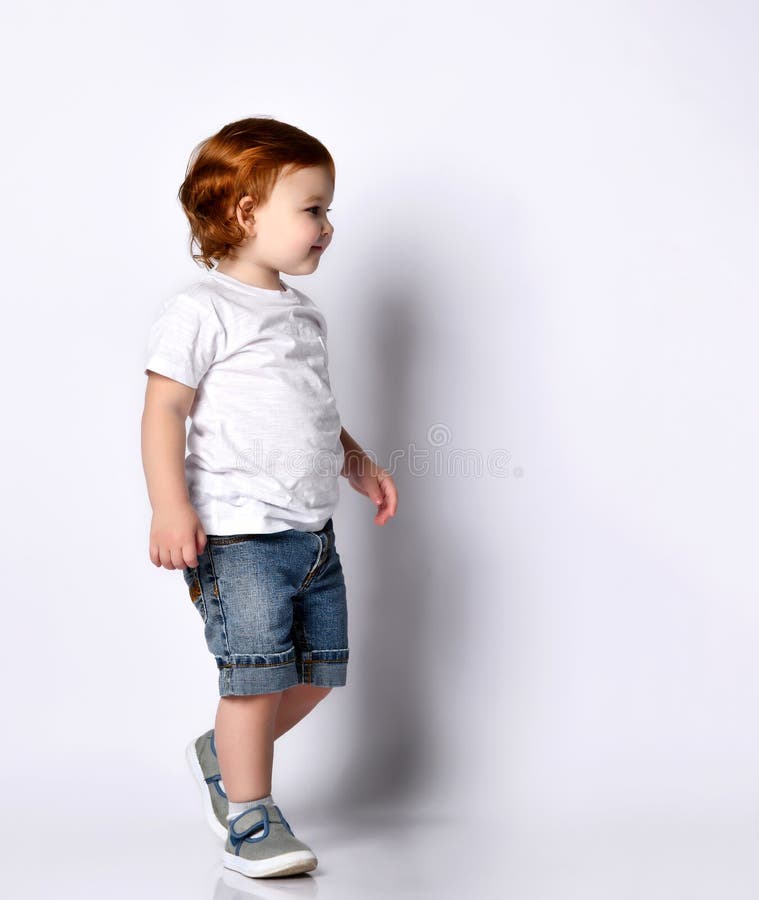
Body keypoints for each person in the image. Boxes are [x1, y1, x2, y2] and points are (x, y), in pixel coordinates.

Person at [140, 116, 398, 879]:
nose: (327, 226)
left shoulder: (300, 313)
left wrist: (355, 461)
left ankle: (221, 755)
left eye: (327, 209)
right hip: (239, 536)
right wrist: (170, 506)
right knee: (255, 682)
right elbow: (164, 410)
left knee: (317, 674)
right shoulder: (202, 310)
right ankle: (249, 818)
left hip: (310, 535)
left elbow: (310, 408)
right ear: (247, 213)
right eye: (312, 209)